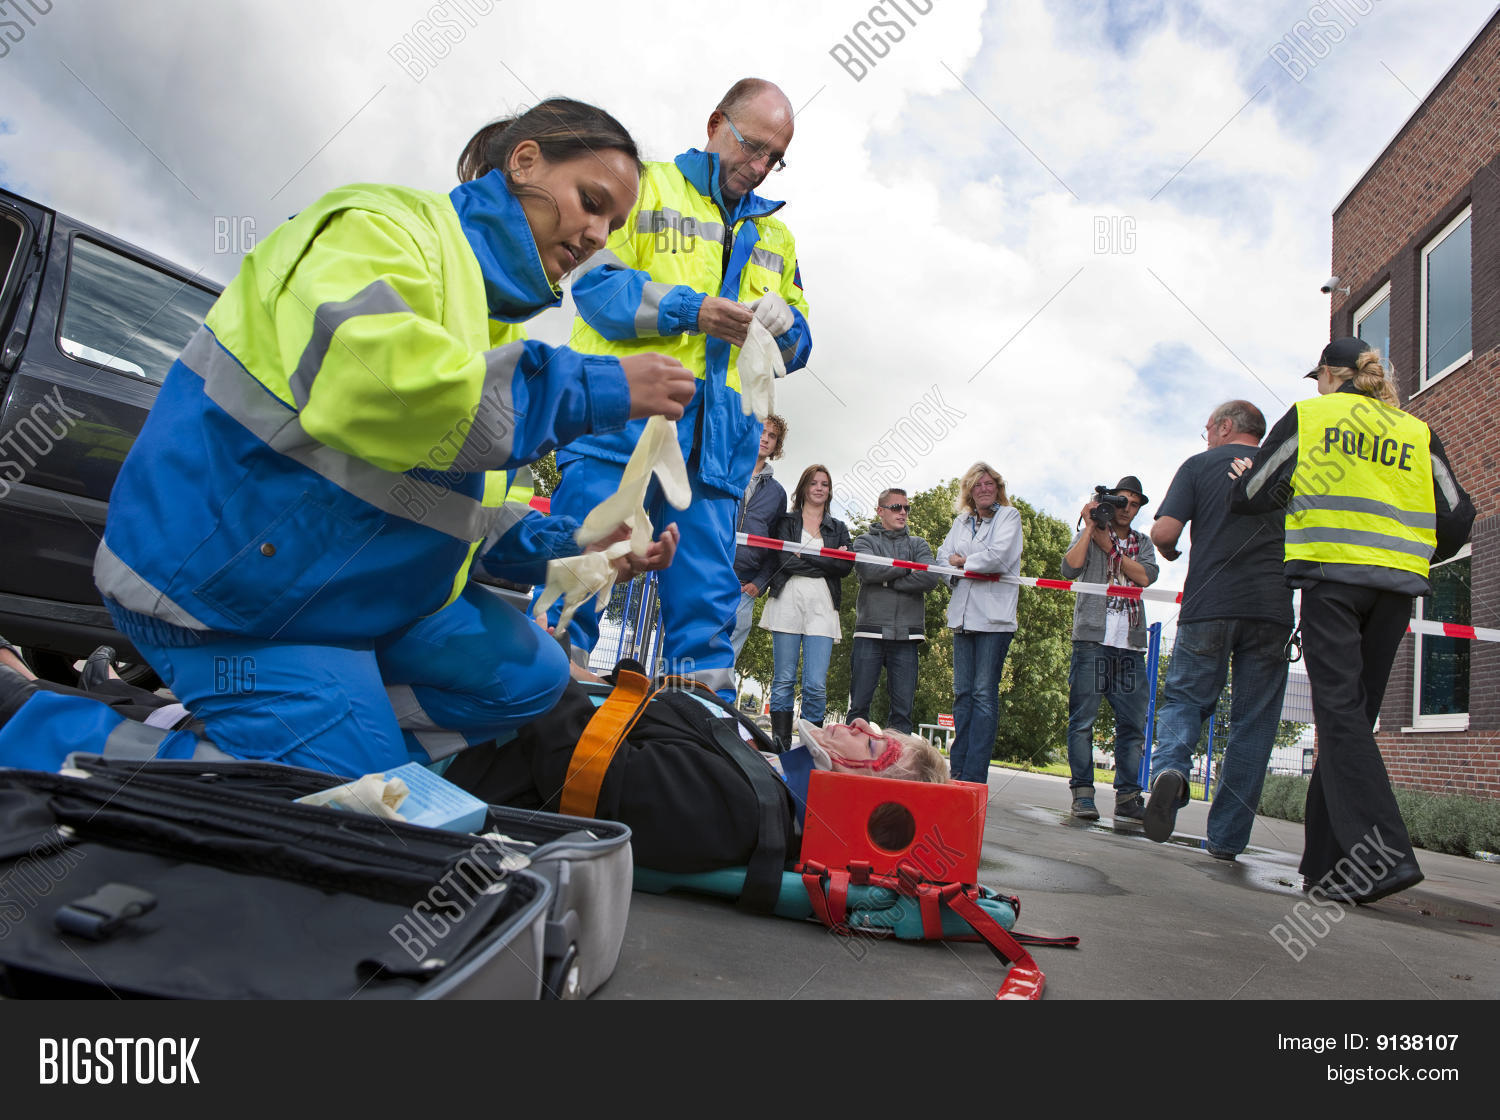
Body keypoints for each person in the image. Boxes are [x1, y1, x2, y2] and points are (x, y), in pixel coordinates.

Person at [0, 99, 700, 779]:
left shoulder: (494, 326)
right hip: (230, 595)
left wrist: (578, 548)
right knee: (337, 804)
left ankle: (276, 742)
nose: (599, 235)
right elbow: (386, 392)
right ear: (524, 161)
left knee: (531, 675)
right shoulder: (377, 228)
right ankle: (30, 724)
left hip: (332, 594)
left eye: (614, 222)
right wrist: (594, 387)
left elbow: (454, 520)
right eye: (591, 200)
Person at [540, 78, 813, 700]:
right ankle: (537, 723)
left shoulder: (779, 237)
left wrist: (784, 327)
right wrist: (694, 311)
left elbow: (802, 347)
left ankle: (699, 736)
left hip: (715, 455)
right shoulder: (644, 185)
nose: (761, 167)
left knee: (705, 618)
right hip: (620, 432)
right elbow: (598, 287)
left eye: (776, 157)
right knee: (579, 579)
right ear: (716, 122)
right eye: (753, 147)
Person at [1230, 338, 1473, 904]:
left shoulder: (1313, 416)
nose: (1315, 386)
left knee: (1339, 718)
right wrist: (1408, 557)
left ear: (1332, 376)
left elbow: (1255, 494)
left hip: (1332, 582)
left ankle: (1382, 856)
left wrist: (1243, 475)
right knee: (1348, 724)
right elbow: (1459, 517)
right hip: (1394, 590)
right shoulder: (1415, 430)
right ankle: (1328, 869)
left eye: (1318, 376)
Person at [1143, 401, 1294, 859]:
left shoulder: (1199, 466)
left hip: (1210, 603)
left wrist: (1171, 554)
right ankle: (1228, 840)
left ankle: (1171, 770)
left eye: (1208, 427)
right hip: (1271, 608)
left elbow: (1164, 533)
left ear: (1226, 426)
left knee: (1186, 699)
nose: (1206, 435)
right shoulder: (1285, 466)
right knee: (1254, 722)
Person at [1062, 475, 1159, 822]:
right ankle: (1083, 794)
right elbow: (1069, 567)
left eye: (1134, 504)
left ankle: (1129, 797)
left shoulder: (1143, 543)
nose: (1127, 509)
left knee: (1133, 724)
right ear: (1110, 502)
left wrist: (1110, 548)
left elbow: (1145, 576)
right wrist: (1089, 527)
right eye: (1122, 502)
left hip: (1130, 645)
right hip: (1092, 642)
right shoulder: (1091, 534)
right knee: (1082, 721)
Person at [936, 465, 1023, 783]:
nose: (984, 488)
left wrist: (963, 560)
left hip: (993, 620)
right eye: (977, 484)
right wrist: (957, 564)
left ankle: (974, 775)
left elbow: (998, 559)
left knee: (984, 696)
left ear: (998, 487)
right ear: (969, 491)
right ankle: (956, 770)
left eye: (989, 483)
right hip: (962, 618)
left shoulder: (1009, 517)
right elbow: (942, 556)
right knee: (962, 695)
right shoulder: (961, 521)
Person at [760, 465, 852, 750]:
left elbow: (844, 566)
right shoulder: (785, 522)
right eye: (814, 483)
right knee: (784, 679)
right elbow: (783, 561)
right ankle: (781, 747)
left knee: (815, 684)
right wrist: (826, 560)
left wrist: (807, 556)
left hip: (823, 605)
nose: (819, 488)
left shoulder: (838, 528)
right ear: (803, 487)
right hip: (787, 598)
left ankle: (811, 750)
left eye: (825, 483)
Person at [847, 489, 940, 734]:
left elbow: (930, 577)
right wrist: (909, 570)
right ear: (880, 511)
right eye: (896, 507)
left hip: (907, 635)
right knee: (858, 709)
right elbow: (868, 570)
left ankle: (897, 766)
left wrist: (887, 580)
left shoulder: (919, 543)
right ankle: (851, 765)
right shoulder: (864, 540)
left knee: (902, 714)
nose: (903, 513)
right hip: (870, 632)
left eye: (906, 508)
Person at [729, 413, 790, 661]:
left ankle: (710, 700)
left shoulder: (777, 494)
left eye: (772, 436)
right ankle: (670, 697)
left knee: (726, 659)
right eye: (761, 431)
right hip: (709, 577)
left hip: (744, 588)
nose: (765, 439)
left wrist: (760, 583)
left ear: (777, 445)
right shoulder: (724, 472)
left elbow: (776, 548)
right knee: (691, 646)